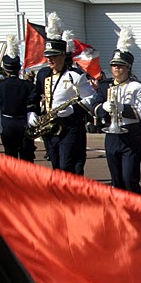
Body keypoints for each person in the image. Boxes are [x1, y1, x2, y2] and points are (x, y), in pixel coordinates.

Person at [34, 13, 96, 173]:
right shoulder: (42, 74)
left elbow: (90, 97)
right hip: (51, 127)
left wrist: (73, 110)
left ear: (63, 55)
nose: (49, 60)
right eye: (47, 56)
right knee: (56, 165)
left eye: (53, 56)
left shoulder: (75, 75)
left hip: (70, 127)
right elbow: (36, 96)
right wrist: (32, 113)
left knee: (68, 165)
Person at [91, 26, 141, 193]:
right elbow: (94, 108)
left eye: (121, 66)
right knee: (116, 179)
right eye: (114, 66)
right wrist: (103, 107)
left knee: (129, 177)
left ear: (128, 67)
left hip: (131, 134)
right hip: (112, 135)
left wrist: (122, 108)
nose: (117, 69)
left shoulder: (137, 86)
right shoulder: (104, 86)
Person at [0, 35, 40, 161]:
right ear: (19, 68)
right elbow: (34, 102)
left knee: (10, 154)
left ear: (5, 69)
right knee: (27, 155)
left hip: (6, 122)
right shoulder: (29, 86)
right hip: (24, 121)